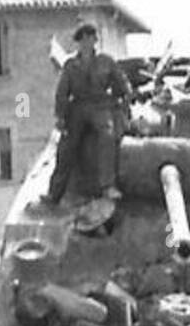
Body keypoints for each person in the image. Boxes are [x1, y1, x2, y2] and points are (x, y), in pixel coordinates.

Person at [42, 22, 132, 205]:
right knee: (67, 145)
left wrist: (123, 100)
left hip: (101, 105)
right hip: (78, 107)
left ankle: (107, 186)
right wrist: (60, 116)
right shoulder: (71, 65)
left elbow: (121, 83)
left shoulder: (106, 61)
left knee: (107, 135)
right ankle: (54, 193)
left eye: (90, 39)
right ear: (79, 42)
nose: (87, 43)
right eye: (83, 39)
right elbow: (62, 92)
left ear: (95, 41)